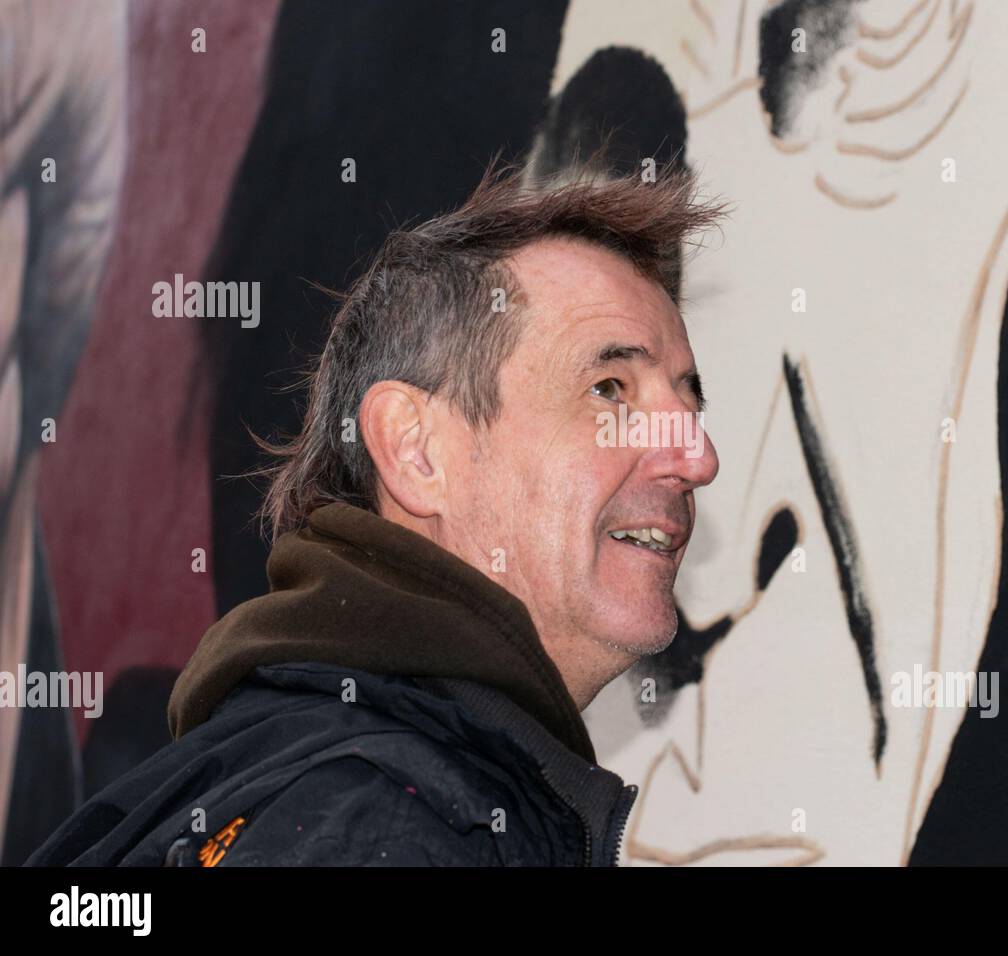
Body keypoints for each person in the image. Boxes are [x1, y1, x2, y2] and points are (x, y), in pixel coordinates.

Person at [26, 157, 727, 866]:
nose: (696, 456)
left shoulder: (311, 779)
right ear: (417, 452)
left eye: (690, 405)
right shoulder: (385, 824)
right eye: (611, 389)